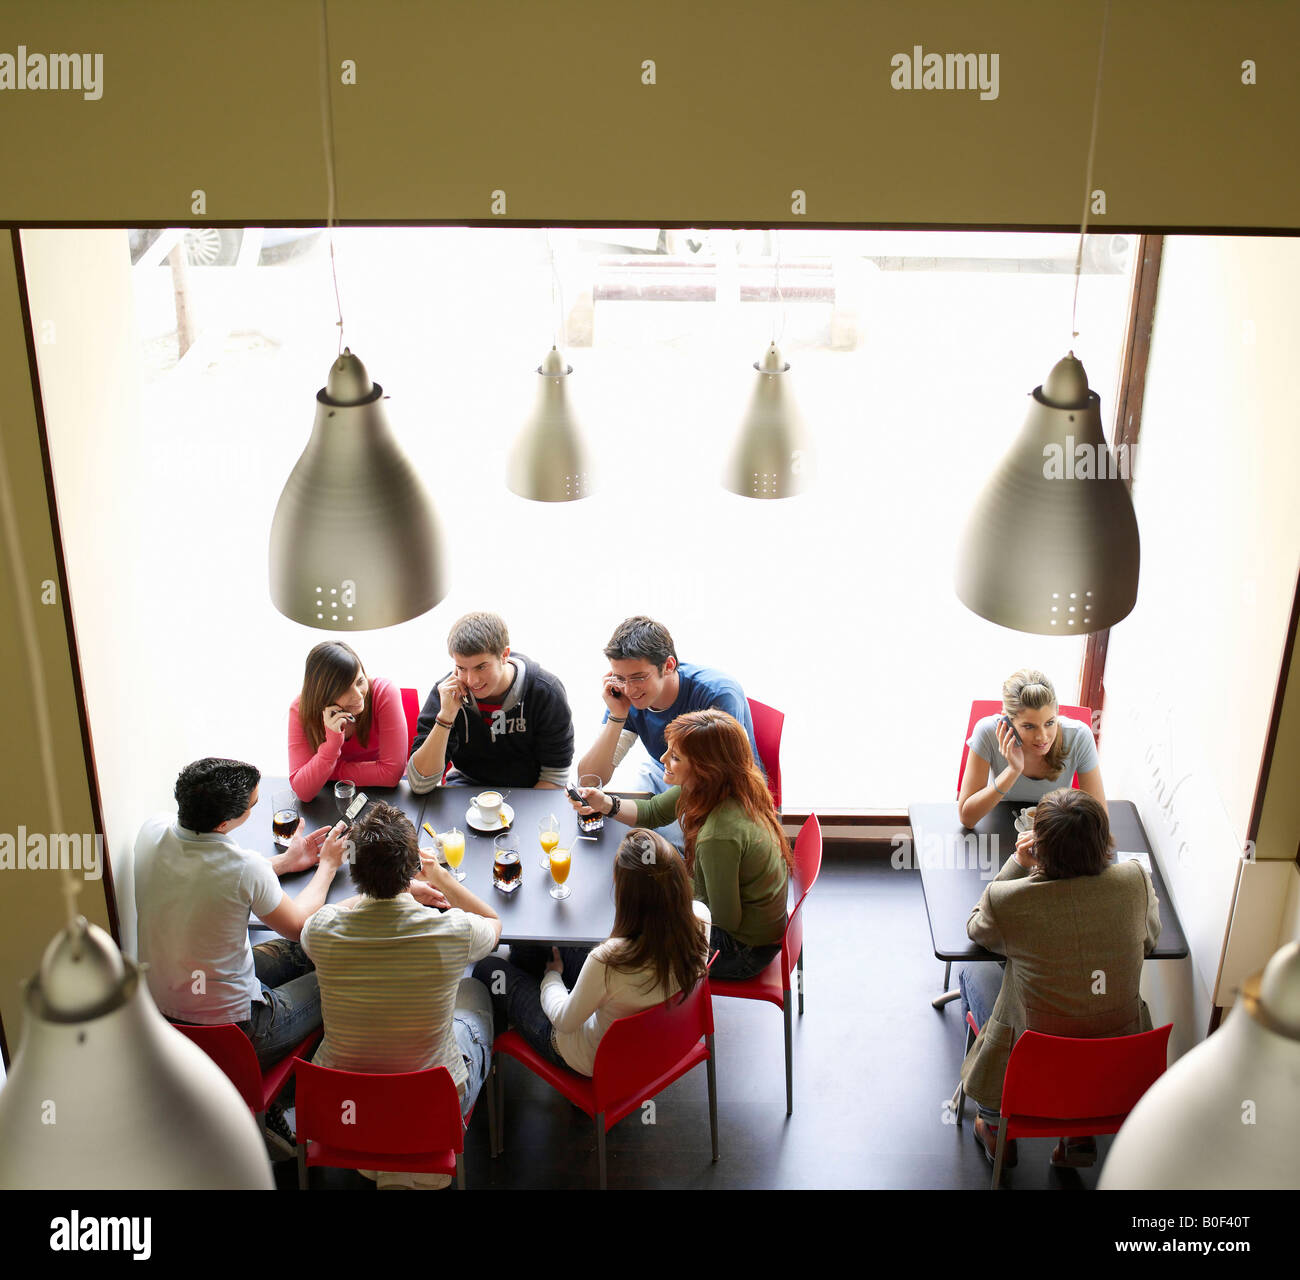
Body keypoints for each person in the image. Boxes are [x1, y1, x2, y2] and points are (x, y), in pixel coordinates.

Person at [133, 757, 349, 1156]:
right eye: (252, 806)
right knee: (342, 974)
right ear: (224, 824)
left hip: (164, 1018)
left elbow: (209, 867)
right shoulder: (245, 867)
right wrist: (328, 867)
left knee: (295, 955)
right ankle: (286, 1099)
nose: (255, 808)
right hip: (239, 1030)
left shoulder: (153, 832)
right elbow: (301, 924)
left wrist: (285, 862)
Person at [300, 801, 501, 1190]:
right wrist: (440, 879)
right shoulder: (453, 931)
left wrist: (386, 892)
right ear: (411, 869)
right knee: (476, 990)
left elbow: (320, 918)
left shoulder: (323, 929)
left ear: (353, 870)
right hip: (429, 1111)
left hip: (344, 1111)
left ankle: (381, 1154)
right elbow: (494, 922)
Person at [957, 788, 1161, 1171]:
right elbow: (1149, 940)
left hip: (1033, 1065)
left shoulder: (1010, 900)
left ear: (1039, 847)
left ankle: (995, 1123)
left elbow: (976, 927)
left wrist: (1017, 864)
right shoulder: (1135, 881)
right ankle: (1077, 1133)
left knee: (975, 972)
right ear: (1104, 841)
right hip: (1116, 1066)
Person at [575, 708, 790, 981]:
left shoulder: (718, 836)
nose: (662, 759)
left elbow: (723, 921)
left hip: (741, 949)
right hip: (753, 922)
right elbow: (652, 811)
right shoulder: (723, 785)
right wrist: (605, 803)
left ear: (705, 768)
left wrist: (669, 883)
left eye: (675, 757)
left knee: (630, 933)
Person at [473, 829, 709, 1075]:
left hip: (589, 1058)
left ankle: (504, 1048)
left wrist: (552, 978)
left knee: (488, 968)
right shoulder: (701, 918)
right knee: (536, 949)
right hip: (657, 1042)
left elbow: (564, 1020)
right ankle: (528, 983)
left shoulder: (609, 959)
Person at [407, 611, 573, 792]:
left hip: (529, 790)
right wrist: (446, 717)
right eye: (461, 668)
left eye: (481, 667)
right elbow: (419, 784)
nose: (472, 681)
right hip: (466, 783)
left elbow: (555, 775)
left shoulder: (546, 692)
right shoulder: (446, 694)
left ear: (504, 655)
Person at [957, 668, 1106, 829]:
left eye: (1049, 723)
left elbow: (1100, 821)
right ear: (1008, 720)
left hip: (1056, 829)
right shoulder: (987, 732)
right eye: (1029, 726)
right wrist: (1013, 770)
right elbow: (967, 818)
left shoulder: (1079, 736)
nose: (1042, 737)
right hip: (1002, 827)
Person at [288, 641, 407, 801]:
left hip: (386, 793)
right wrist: (331, 746)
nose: (358, 696)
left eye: (359, 681)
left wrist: (330, 770)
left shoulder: (384, 693)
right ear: (323, 694)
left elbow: (391, 774)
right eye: (345, 689)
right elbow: (303, 792)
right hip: (334, 797)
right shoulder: (300, 709)